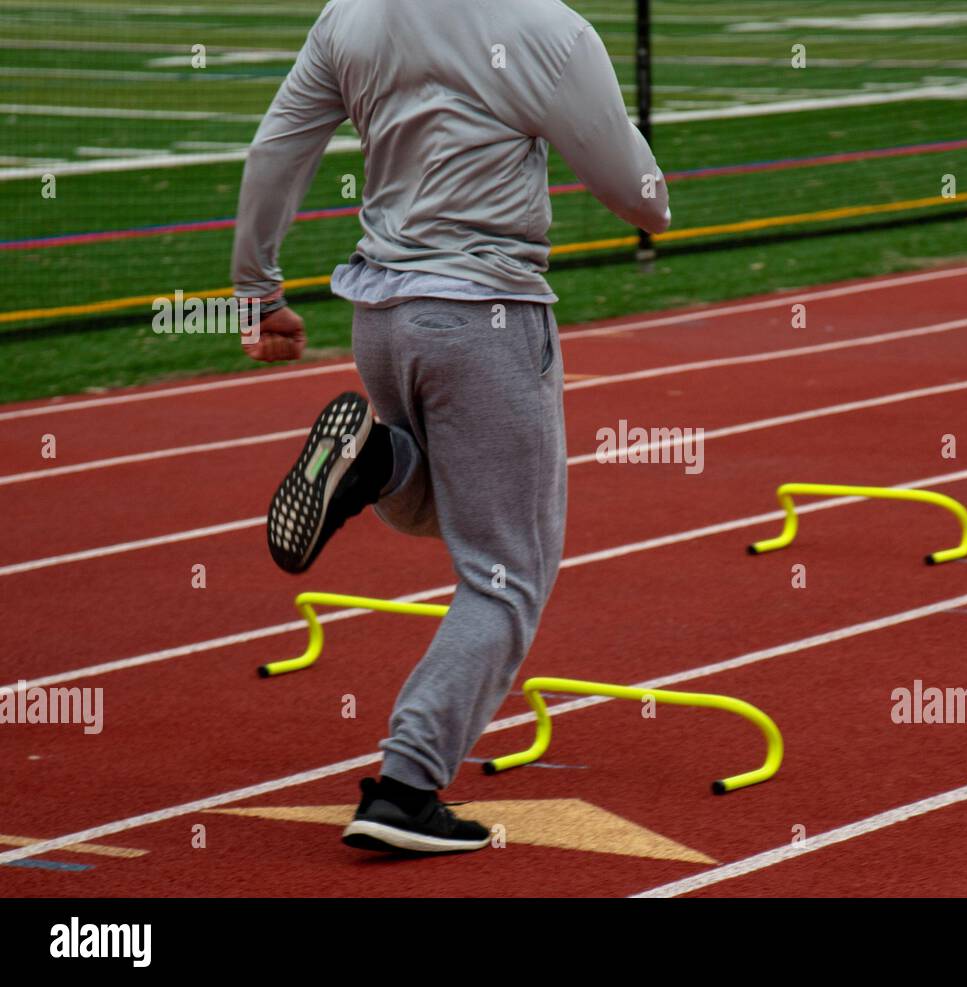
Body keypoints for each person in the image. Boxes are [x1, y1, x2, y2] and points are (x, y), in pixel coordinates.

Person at [230, 0, 669, 853]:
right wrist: (657, 200)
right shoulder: (550, 28)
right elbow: (634, 194)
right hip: (487, 317)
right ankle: (405, 787)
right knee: (507, 573)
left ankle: (380, 460)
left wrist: (258, 290)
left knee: (435, 502)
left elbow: (278, 147)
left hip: (382, 318)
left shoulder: (349, 17)